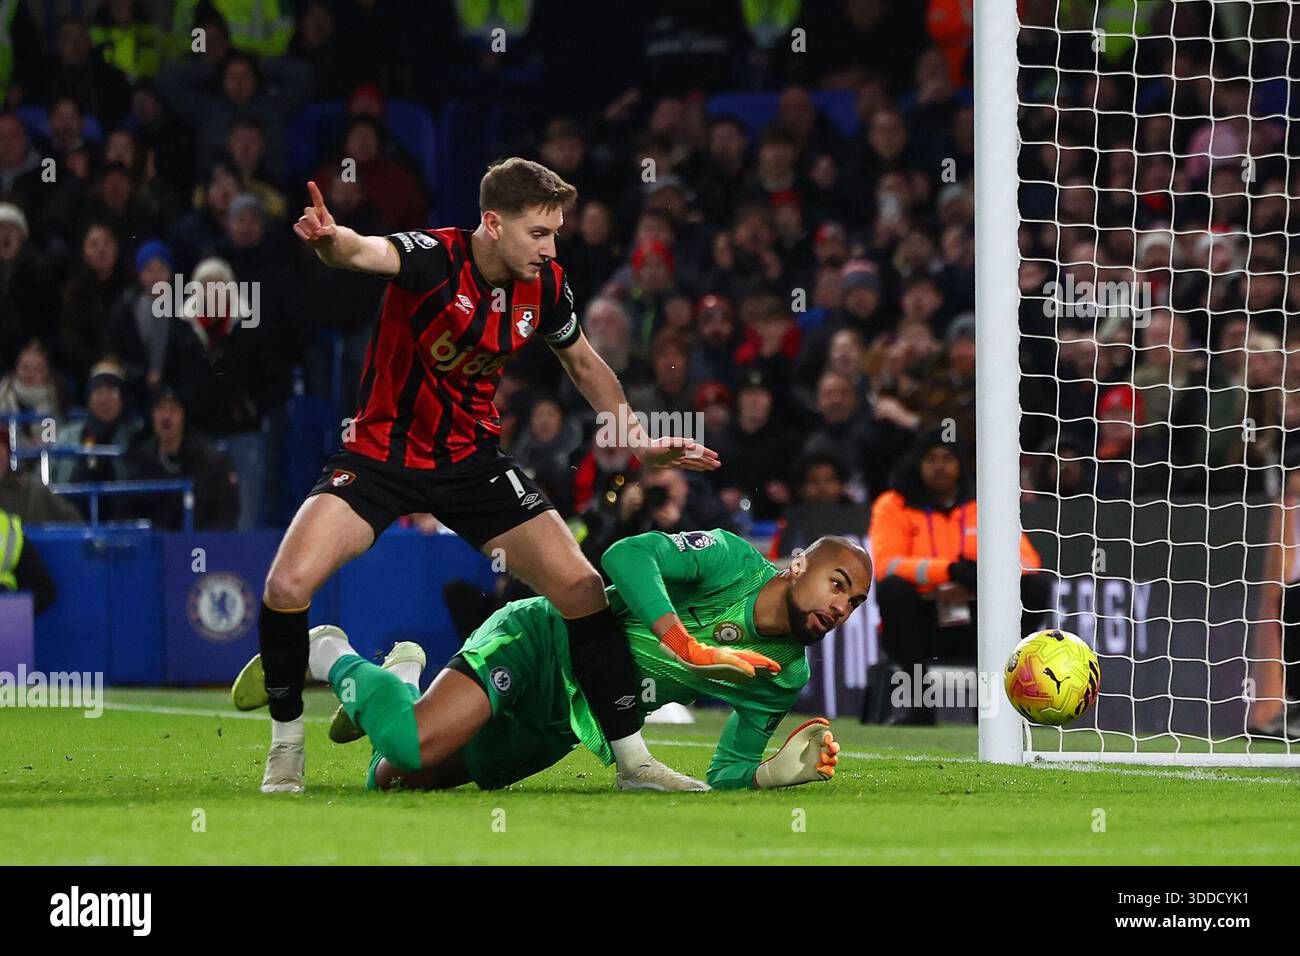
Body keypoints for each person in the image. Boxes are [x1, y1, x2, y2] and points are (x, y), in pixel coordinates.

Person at [249, 158, 728, 795]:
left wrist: (637, 440)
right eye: (539, 233)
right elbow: (365, 254)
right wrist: (333, 243)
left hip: (470, 463)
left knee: (583, 588)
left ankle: (635, 764)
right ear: (494, 224)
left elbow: (584, 365)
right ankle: (286, 747)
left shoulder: (547, 285)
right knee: (286, 585)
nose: (551, 248)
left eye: (556, 233)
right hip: (381, 456)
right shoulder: (434, 258)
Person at [235, 529, 865, 792]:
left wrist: (768, 776)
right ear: (799, 564)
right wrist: (684, 644)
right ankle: (329, 653)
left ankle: (400, 674)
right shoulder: (730, 559)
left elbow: (723, 774)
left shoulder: (786, 672)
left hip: (568, 723)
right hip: (544, 644)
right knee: (410, 746)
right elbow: (623, 558)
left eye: (856, 601)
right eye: (838, 584)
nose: (843, 607)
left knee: (388, 780)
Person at [869, 426, 1051, 724]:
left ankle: (995, 705)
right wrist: (948, 573)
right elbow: (887, 564)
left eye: (947, 458)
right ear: (917, 463)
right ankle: (918, 708)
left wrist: (981, 579)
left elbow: (1028, 561)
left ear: (961, 464)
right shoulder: (892, 505)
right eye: (931, 458)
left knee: (1035, 587)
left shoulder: (986, 504)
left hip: (978, 619)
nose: (939, 466)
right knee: (891, 589)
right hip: (921, 621)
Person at [122, 387, 240, 530]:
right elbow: (125, 511)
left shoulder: (211, 459)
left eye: (173, 409)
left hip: (200, 546)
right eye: (160, 409)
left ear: (184, 415)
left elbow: (225, 514)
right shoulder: (139, 458)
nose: (166, 416)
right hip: (153, 546)